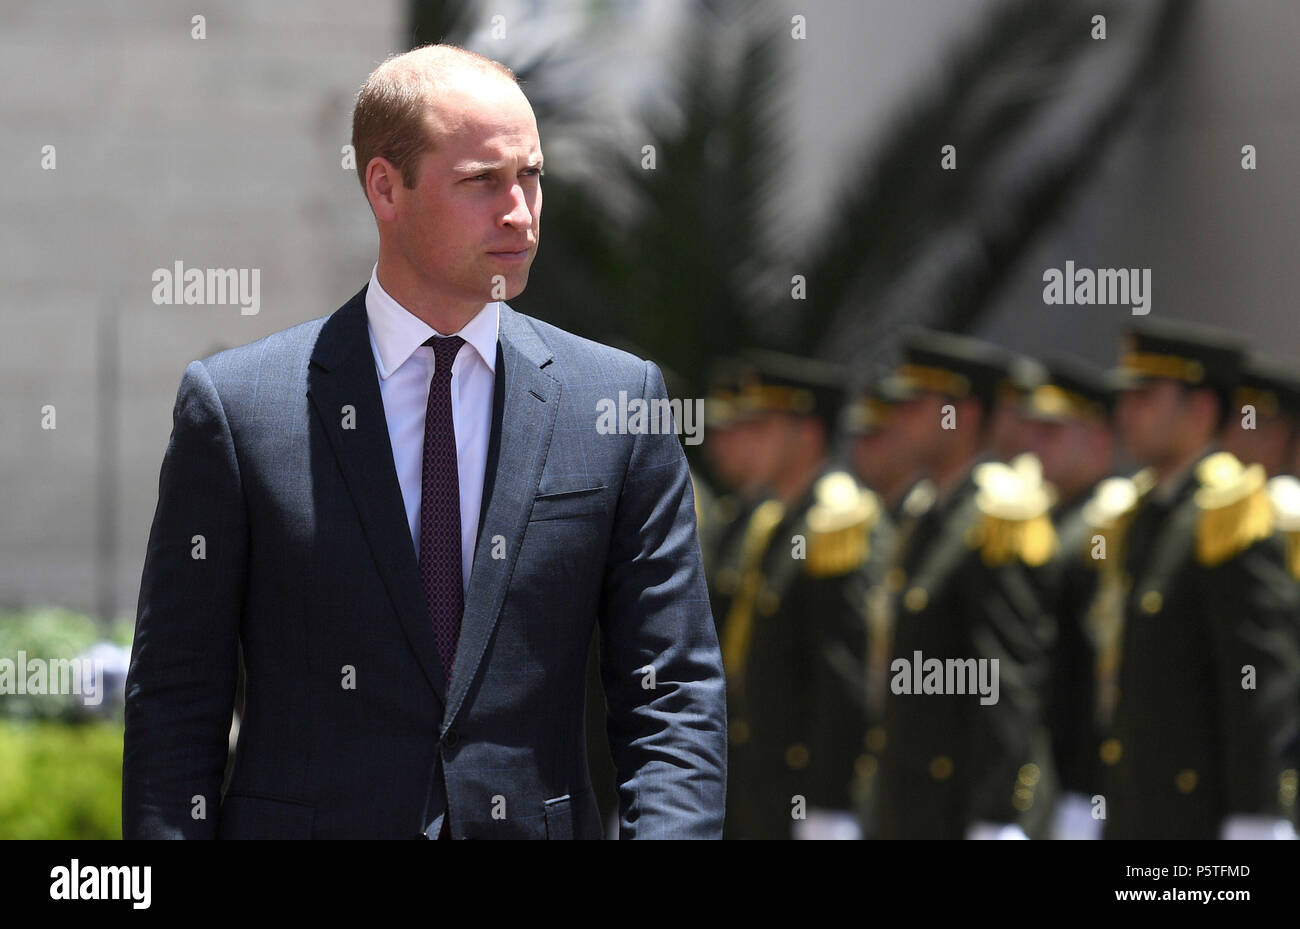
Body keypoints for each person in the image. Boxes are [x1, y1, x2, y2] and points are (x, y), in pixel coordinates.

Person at [122, 44, 727, 840]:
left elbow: (672, 694)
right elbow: (176, 700)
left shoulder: (616, 403)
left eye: (533, 176)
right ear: (385, 187)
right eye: (482, 180)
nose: (520, 209)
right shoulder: (239, 410)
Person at [1094, 319, 1300, 839]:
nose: (1127, 413)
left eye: (1146, 396)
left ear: (1203, 408)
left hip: (1202, 820)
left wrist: (1255, 819)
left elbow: (1257, 684)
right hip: (1140, 812)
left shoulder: (1228, 514)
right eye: (1126, 397)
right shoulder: (1143, 515)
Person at [866, 330, 1058, 840]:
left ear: (964, 415)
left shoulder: (999, 516)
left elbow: (1006, 679)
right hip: (913, 802)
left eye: (916, 405)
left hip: (963, 806)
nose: (898, 419)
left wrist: (997, 817)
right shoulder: (926, 514)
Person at [718, 351, 878, 839]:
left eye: (763, 425)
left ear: (808, 435)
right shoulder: (777, 521)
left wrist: (828, 804)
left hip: (806, 791)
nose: (746, 438)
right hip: (763, 782)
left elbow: (842, 677)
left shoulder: (836, 521)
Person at [1019, 356, 1120, 838]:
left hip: (1080, 778)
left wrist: (1085, 788)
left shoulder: (1104, 526)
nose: (1035, 446)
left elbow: (1096, 675)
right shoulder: (1051, 518)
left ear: (1099, 438)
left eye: (1053, 432)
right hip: (1042, 770)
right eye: (1034, 430)